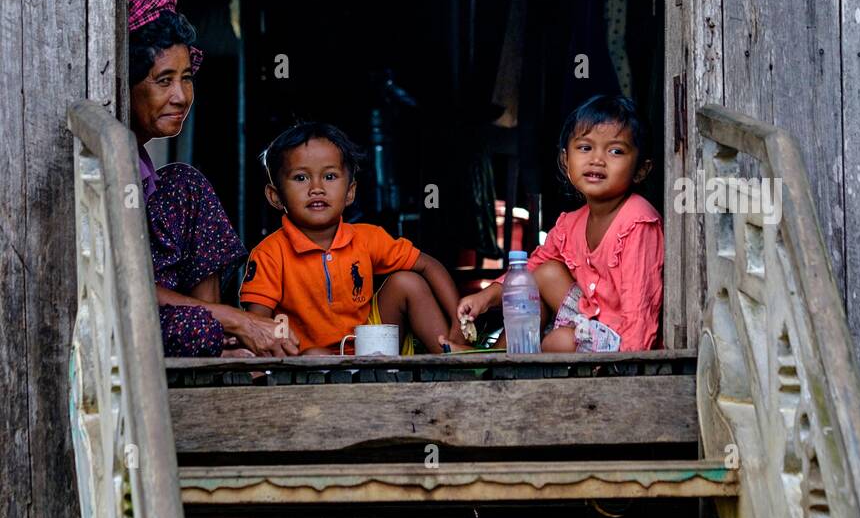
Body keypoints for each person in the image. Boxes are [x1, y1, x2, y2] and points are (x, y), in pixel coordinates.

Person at [129, 0, 295, 358]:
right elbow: (128, 287)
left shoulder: (142, 163)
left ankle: (216, 343)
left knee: (186, 181)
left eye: (186, 78)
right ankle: (218, 338)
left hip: (176, 314)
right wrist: (234, 318)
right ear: (127, 83)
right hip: (132, 319)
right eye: (163, 80)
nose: (181, 96)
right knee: (206, 322)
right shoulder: (106, 159)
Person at [240, 120, 472, 354]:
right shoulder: (269, 253)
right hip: (308, 365)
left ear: (350, 192)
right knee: (313, 356)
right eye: (301, 178)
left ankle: (450, 357)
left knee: (408, 282)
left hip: (368, 350)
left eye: (330, 176)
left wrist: (458, 321)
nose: (316, 188)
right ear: (275, 196)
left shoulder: (367, 238)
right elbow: (256, 326)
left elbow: (429, 265)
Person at [458, 95, 664, 352]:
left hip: (622, 346)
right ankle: (496, 358)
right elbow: (531, 266)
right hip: (589, 321)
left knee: (560, 341)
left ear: (641, 170)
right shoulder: (571, 223)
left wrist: (631, 377)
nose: (597, 160)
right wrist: (486, 297)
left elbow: (639, 314)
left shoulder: (638, 221)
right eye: (586, 148)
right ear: (566, 160)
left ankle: (518, 366)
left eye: (615, 151)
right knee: (543, 274)